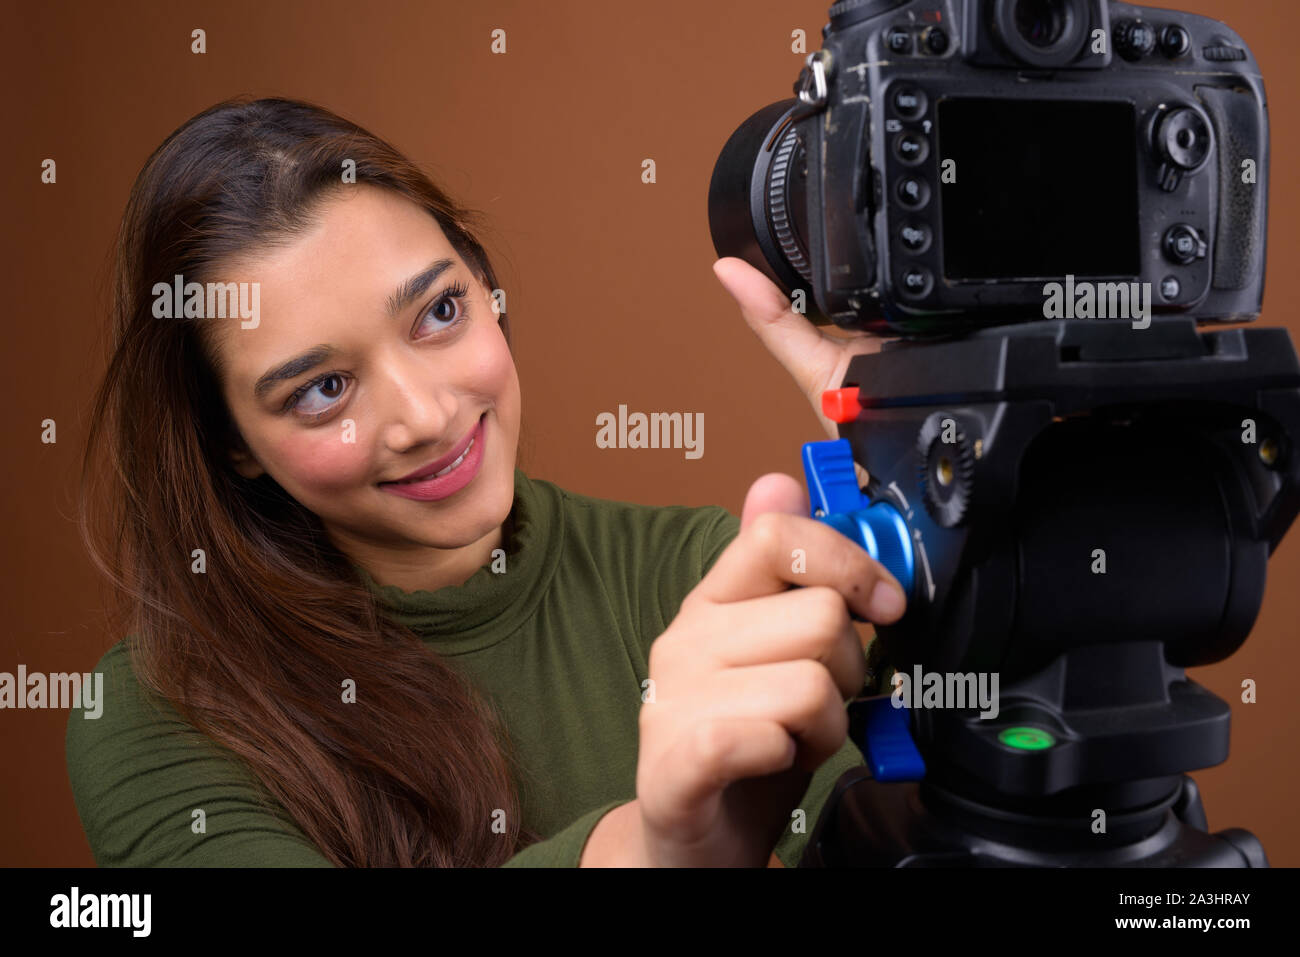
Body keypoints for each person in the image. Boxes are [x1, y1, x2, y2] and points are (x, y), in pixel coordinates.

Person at [66, 95, 907, 868]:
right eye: (322, 389)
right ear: (232, 440)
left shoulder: (702, 574)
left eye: (438, 312)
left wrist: (943, 457)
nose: (424, 417)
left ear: (484, 283)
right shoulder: (159, 710)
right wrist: (648, 846)